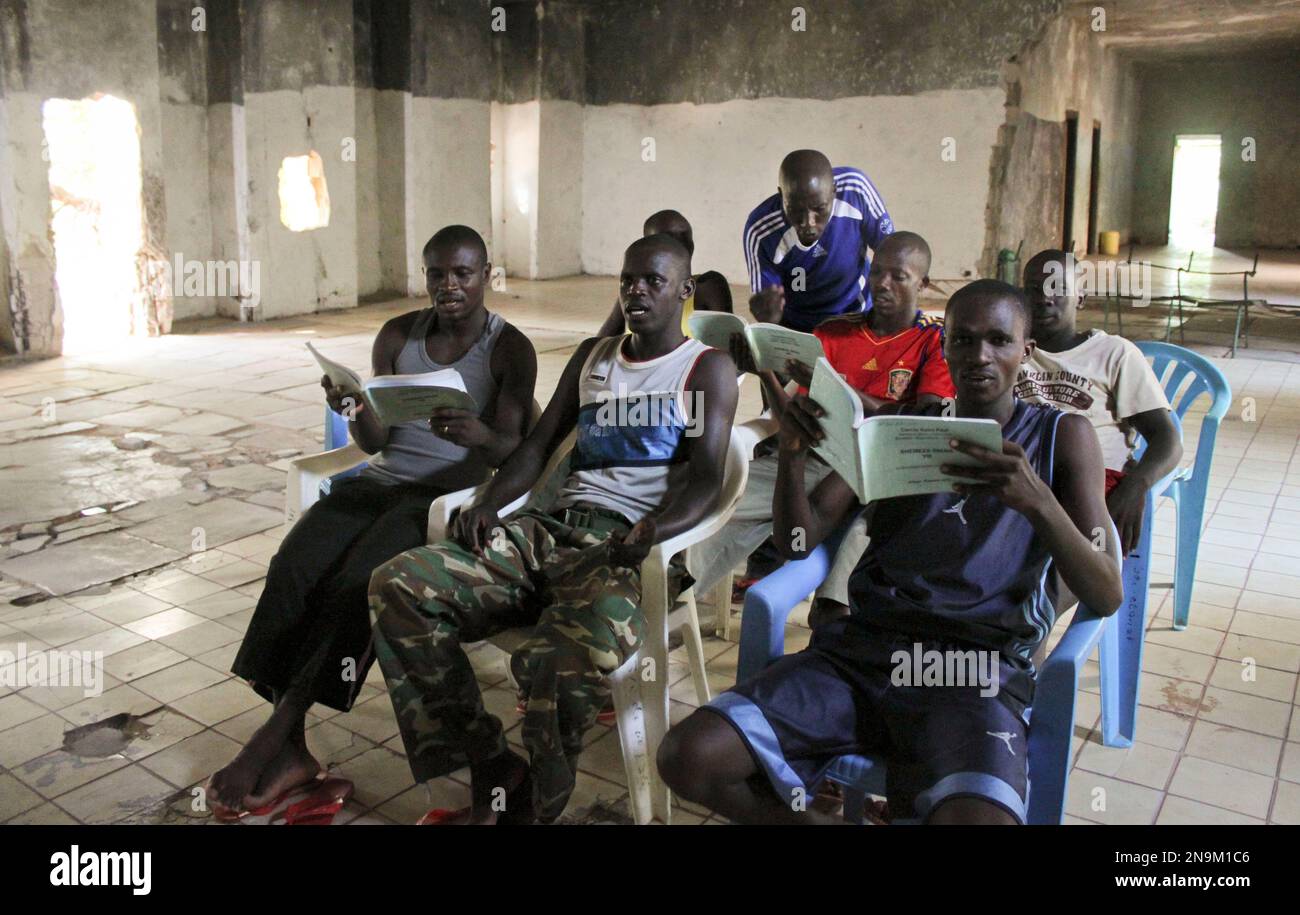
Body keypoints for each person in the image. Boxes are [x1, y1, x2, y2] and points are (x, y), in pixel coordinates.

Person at [657, 280, 1123, 825]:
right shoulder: (899, 431)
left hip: (972, 671)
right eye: (964, 340)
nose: (979, 356)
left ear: (1027, 348)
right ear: (943, 344)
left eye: (999, 340)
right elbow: (798, 544)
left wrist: (1037, 502)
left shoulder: (1060, 435)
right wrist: (789, 454)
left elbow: (1106, 593)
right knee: (687, 757)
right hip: (861, 655)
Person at [368, 234, 738, 824]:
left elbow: (707, 481)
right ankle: (490, 762)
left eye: (654, 281)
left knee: (556, 658)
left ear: (685, 291)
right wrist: (490, 502)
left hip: (626, 548)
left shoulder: (705, 370)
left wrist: (653, 529)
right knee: (400, 586)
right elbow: (536, 448)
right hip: (549, 531)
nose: (636, 290)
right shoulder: (594, 357)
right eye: (627, 280)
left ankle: (538, 802)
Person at [207, 226, 537, 818]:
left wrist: (478, 434)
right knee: (293, 566)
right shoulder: (397, 335)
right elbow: (376, 440)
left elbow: (517, 448)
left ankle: (278, 730)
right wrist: (355, 408)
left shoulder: (509, 348)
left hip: (440, 495)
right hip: (382, 482)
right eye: (436, 273)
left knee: (357, 581)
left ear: (487, 275)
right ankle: (292, 744)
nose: (448, 286)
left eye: (462, 273)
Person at [693, 231, 953, 623]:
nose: (882, 283)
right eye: (877, 271)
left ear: (923, 284)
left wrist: (842, 390)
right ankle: (676, 585)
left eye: (898, 276)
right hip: (812, 454)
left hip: (879, 470)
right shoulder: (833, 333)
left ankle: (831, 610)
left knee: (842, 517)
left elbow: (922, 421)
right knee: (714, 496)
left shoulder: (932, 340)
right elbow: (787, 415)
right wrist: (764, 371)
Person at [1017, 249, 1183, 557]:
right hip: (1025, 479)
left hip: (1091, 486)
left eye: (1058, 287)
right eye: (1033, 289)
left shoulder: (1114, 354)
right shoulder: (1008, 350)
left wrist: (1136, 486)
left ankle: (1049, 599)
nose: (1043, 298)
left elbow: (1167, 438)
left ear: (1080, 297)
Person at [743, 149, 893, 332]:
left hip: (857, 316)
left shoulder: (855, 190)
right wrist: (768, 319)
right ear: (781, 195)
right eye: (795, 210)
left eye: (820, 208)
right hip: (799, 328)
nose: (808, 223)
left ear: (834, 192)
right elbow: (766, 307)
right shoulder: (761, 230)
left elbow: (892, 251)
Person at [596, 209, 732, 338]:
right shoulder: (635, 293)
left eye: (684, 236)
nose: (679, 244)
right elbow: (600, 342)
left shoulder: (707, 287)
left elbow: (728, 343)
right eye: (667, 238)